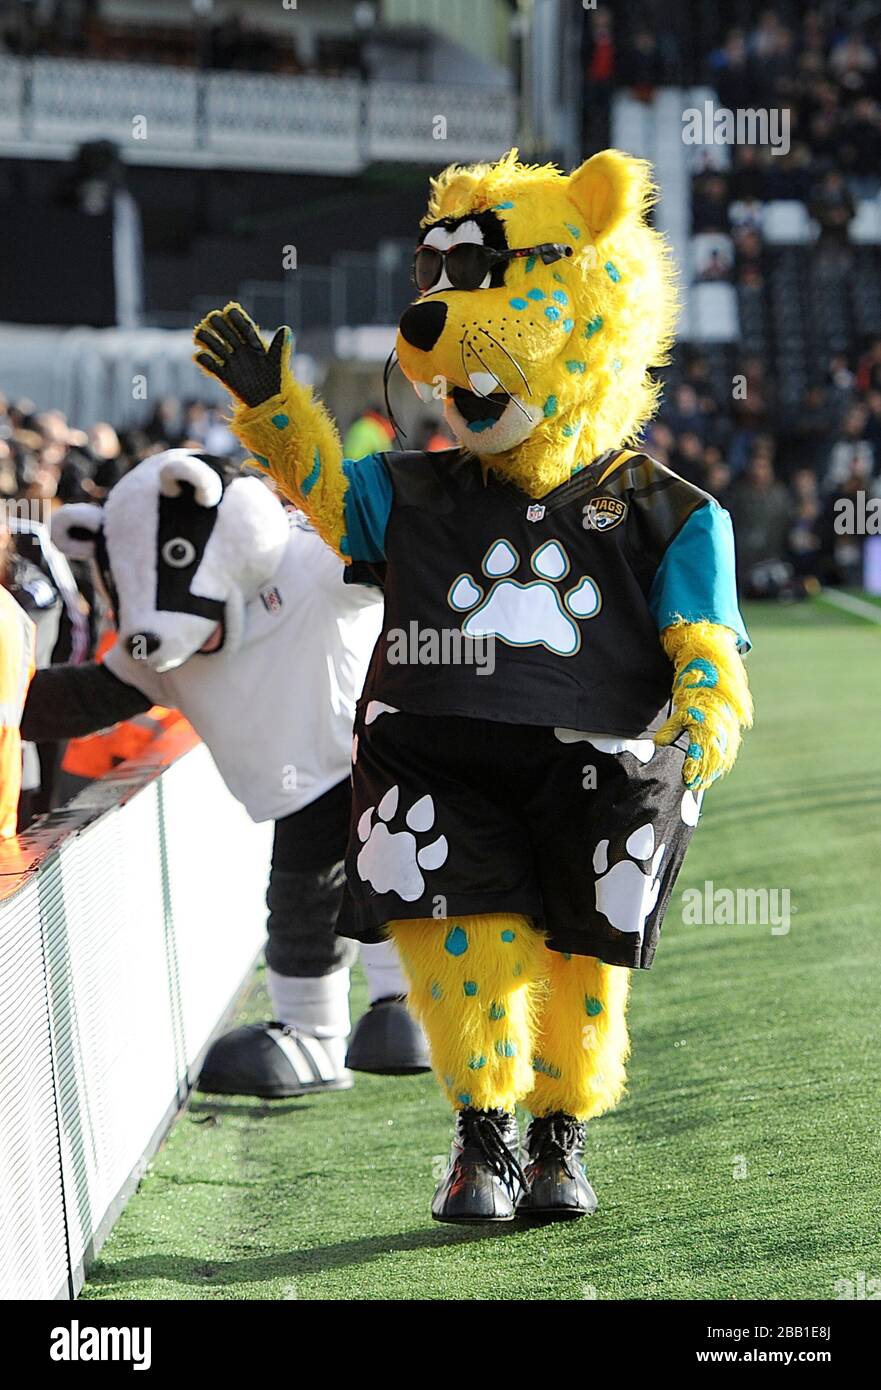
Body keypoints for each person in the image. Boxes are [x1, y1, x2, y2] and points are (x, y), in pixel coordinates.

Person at [194, 146, 752, 1224]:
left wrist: (703, 707)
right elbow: (323, 500)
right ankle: (481, 1138)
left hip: (602, 766)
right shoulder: (411, 488)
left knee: (578, 959)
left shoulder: (667, 506)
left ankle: (558, 1139)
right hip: (440, 754)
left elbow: (703, 633)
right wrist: (274, 412)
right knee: (467, 945)